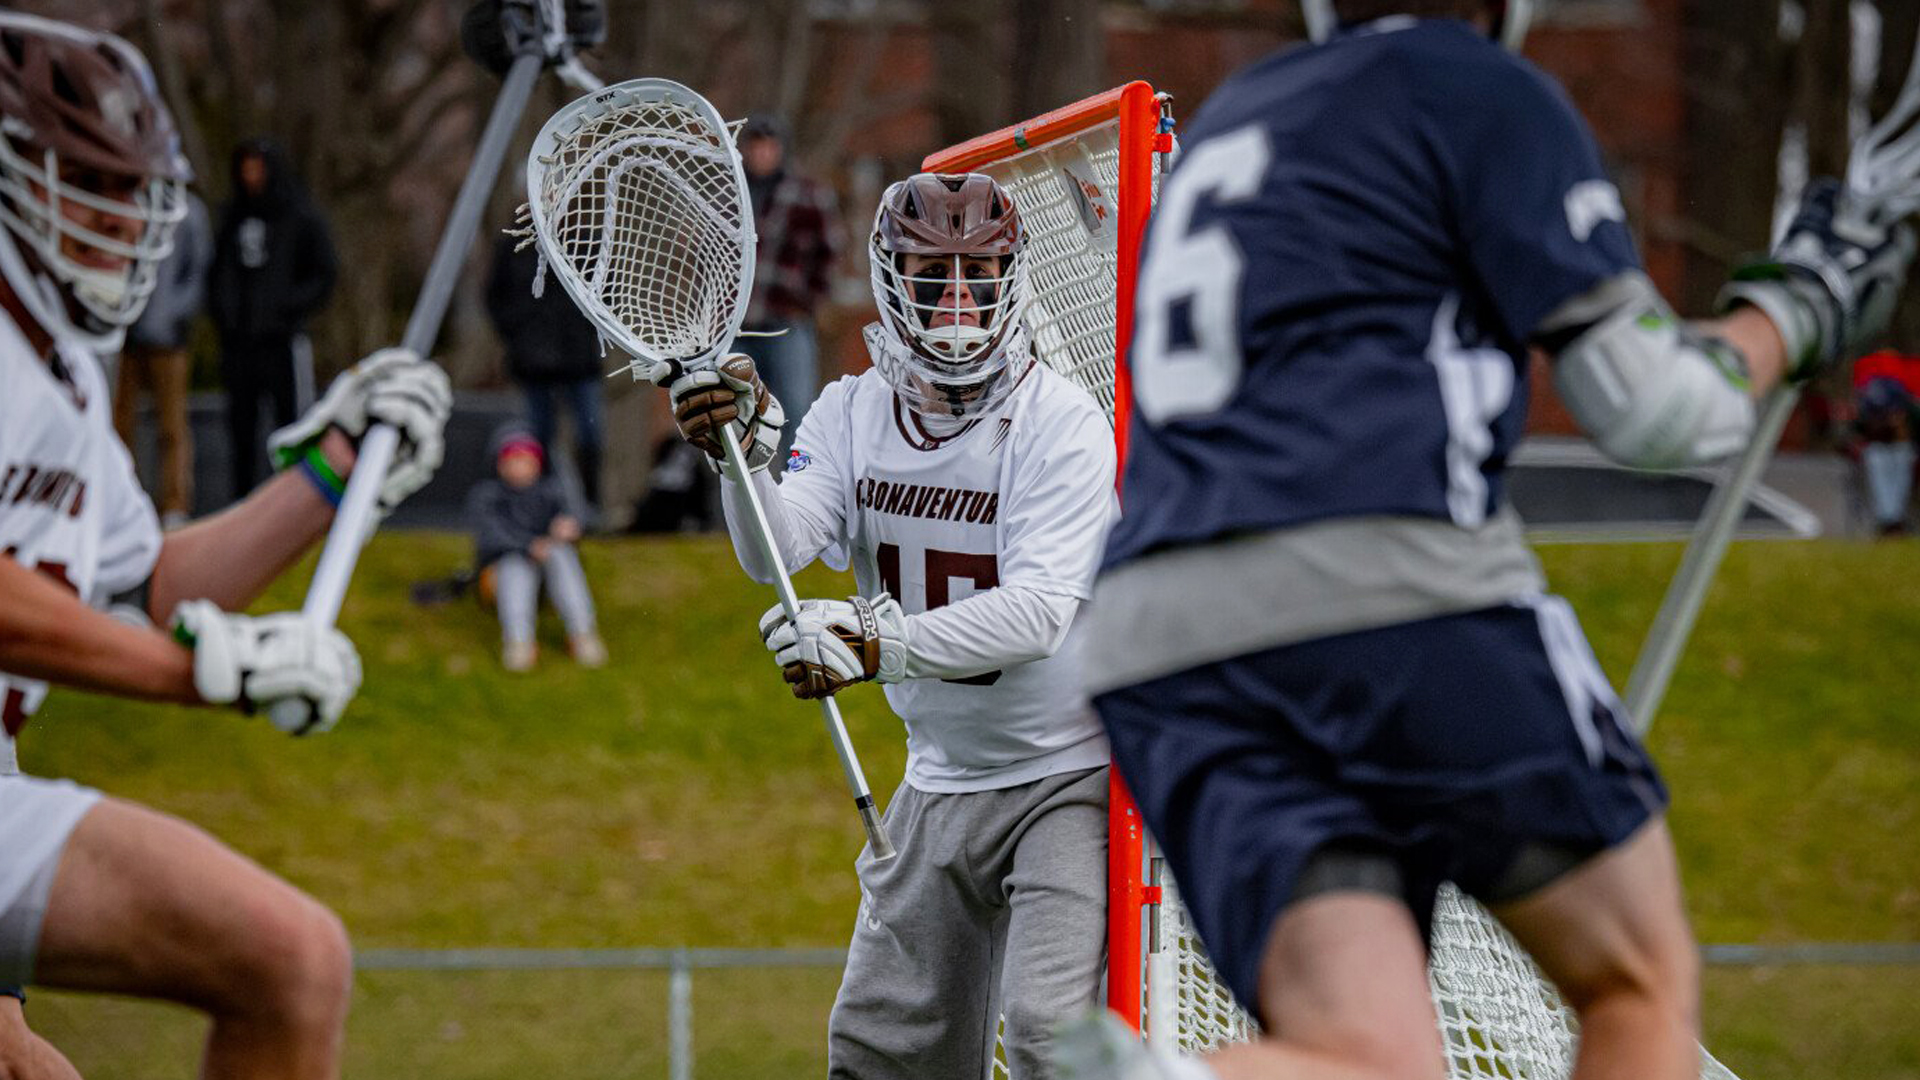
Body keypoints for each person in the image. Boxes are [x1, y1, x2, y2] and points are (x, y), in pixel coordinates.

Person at [1053, 2, 1915, 1078]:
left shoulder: (1240, 115)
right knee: (1634, 983)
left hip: (1160, 638)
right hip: (1387, 592)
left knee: (1366, 1055)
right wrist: (1803, 304)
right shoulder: (1470, 89)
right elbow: (1657, 412)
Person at [0, 14, 451, 1079]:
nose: (124, 219)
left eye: (132, 190)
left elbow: (151, 580)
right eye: (91, 184)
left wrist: (336, 476)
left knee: (290, 964)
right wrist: (196, 671)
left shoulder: (58, 362)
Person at [664, 172, 1116, 1079]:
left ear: (1011, 276)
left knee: (1047, 1038)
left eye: (979, 274)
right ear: (888, 276)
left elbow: (1038, 615)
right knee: (880, 1050)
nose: (957, 300)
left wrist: (874, 642)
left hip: (1070, 773)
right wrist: (739, 461)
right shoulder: (852, 409)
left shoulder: (1059, 422)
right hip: (939, 776)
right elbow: (777, 555)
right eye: (931, 272)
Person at [208, 136, 339, 501]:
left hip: (281, 341)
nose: (251, 176)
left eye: (257, 167)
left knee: (291, 424)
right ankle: (242, 502)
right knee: (240, 428)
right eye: (245, 168)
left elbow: (324, 274)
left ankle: (291, 501)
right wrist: (225, 315)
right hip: (239, 343)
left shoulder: (299, 216)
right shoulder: (231, 219)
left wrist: (287, 308)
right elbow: (216, 274)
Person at [735, 113, 842, 453]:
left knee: (795, 413)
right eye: (756, 146)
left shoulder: (808, 194)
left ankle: (796, 494)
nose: (762, 154)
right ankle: (736, 498)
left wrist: (809, 301)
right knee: (732, 417)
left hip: (787, 324)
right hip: (736, 328)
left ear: (781, 150)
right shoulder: (731, 195)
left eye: (769, 147)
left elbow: (832, 250)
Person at [467, 423, 607, 672]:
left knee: (560, 553)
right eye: (513, 459)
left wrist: (570, 524)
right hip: (499, 577)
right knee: (516, 562)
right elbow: (490, 536)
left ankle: (582, 633)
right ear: (499, 463)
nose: (520, 466)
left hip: (547, 579)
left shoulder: (551, 491)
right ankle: (518, 640)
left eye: (526, 459)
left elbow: (580, 512)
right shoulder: (487, 496)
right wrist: (527, 546)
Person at [484, 232, 605, 514]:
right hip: (534, 363)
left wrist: (585, 332)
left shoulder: (582, 241)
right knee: (540, 437)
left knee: (590, 434)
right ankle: (545, 507)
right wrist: (521, 335)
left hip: (579, 360)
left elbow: (605, 293)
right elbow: (495, 297)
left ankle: (591, 504)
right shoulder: (513, 246)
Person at [112, 188, 211, 527]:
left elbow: (198, 270)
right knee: (119, 424)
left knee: (171, 424)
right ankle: (121, 503)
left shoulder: (188, 210)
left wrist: (173, 314)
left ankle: (174, 506)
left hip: (168, 337)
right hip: (124, 332)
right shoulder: (126, 200)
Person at [1851, 349, 1920, 536]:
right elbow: (1860, 422)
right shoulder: (1871, 390)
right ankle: (1890, 521)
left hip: (1898, 444)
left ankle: (1893, 521)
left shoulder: (1900, 389)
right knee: (1887, 482)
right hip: (1880, 445)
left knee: (1895, 483)